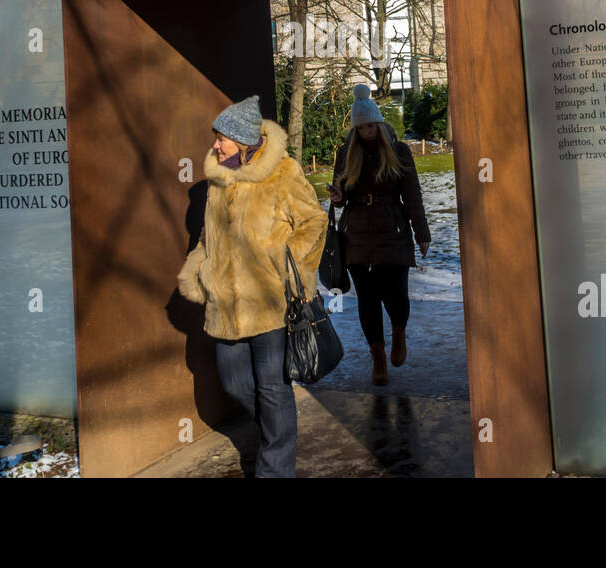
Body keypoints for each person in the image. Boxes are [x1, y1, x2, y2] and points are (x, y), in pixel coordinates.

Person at [175, 95, 328, 478]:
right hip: (225, 303)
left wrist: (287, 267)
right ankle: (279, 434)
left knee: (273, 389)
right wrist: (199, 271)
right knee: (236, 384)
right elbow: (208, 238)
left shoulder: (283, 171)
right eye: (217, 138)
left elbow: (314, 222)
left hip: (269, 299)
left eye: (222, 138)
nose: (216, 145)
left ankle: (275, 467)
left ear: (242, 139)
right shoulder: (219, 178)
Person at [327, 85, 430, 386]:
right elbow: (341, 194)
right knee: (368, 301)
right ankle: (378, 359)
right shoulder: (346, 154)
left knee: (397, 295)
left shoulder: (398, 151)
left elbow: (412, 195)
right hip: (356, 236)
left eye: (371, 126)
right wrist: (337, 197)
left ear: (379, 124)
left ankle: (399, 333)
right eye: (361, 128)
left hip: (392, 231)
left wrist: (421, 233)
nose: (367, 132)